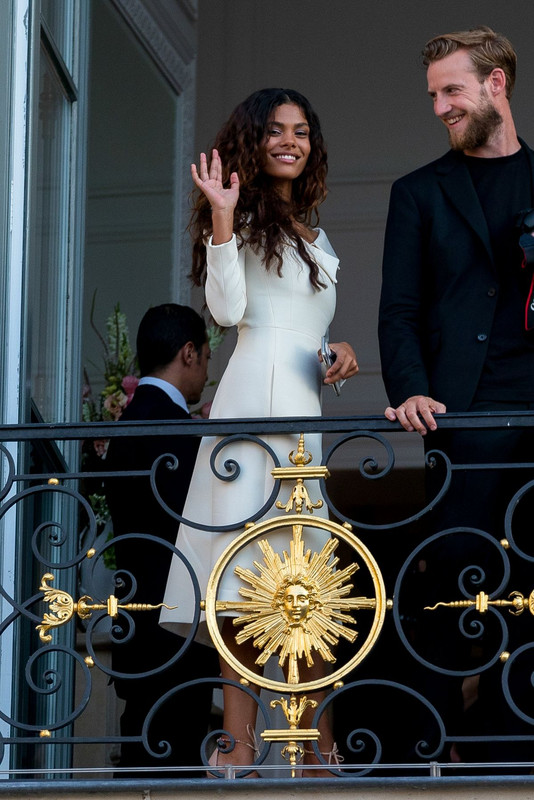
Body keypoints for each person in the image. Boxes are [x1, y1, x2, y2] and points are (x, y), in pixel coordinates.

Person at [160, 88, 359, 776]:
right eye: (276, 130)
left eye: (301, 131)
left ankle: (318, 749)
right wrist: (221, 218)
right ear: (253, 140)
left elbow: (301, 327)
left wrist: (336, 354)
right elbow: (228, 310)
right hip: (254, 407)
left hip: (303, 409)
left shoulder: (315, 232)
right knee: (246, 581)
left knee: (311, 587)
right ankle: (240, 746)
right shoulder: (240, 214)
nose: (290, 140)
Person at [378, 27, 534, 766]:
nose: (440, 106)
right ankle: (444, 749)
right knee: (460, 579)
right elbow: (399, 310)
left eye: (453, 91)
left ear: (497, 83)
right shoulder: (417, 193)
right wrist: (410, 387)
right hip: (464, 415)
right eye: (434, 94)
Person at [105, 303, 218, 776]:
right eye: (208, 359)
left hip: (136, 617)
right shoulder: (176, 429)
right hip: (175, 624)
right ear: (188, 353)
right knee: (171, 760)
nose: (206, 371)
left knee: (143, 748)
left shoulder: (130, 423)